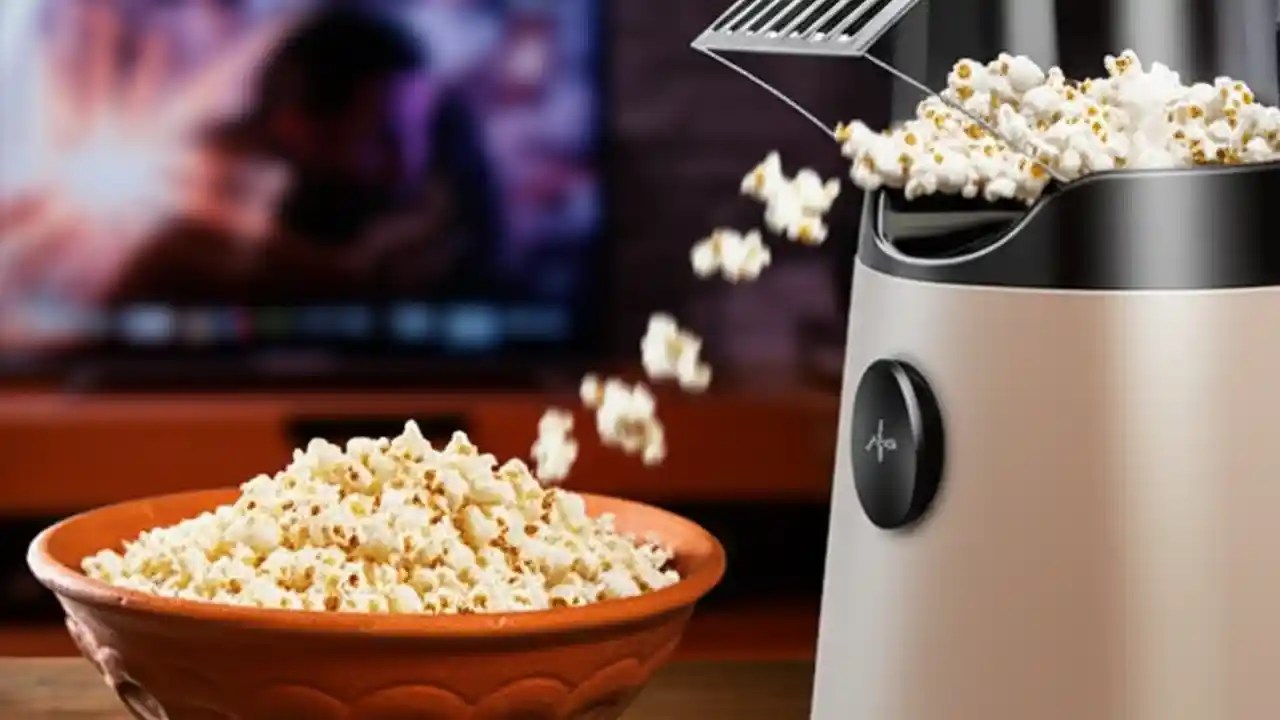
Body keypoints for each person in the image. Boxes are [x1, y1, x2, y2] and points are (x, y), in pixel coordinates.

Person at [108, 5, 503, 304]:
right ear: (299, 129)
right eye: (384, 138)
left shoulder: (456, 260)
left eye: (425, 134)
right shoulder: (187, 262)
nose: (411, 162)